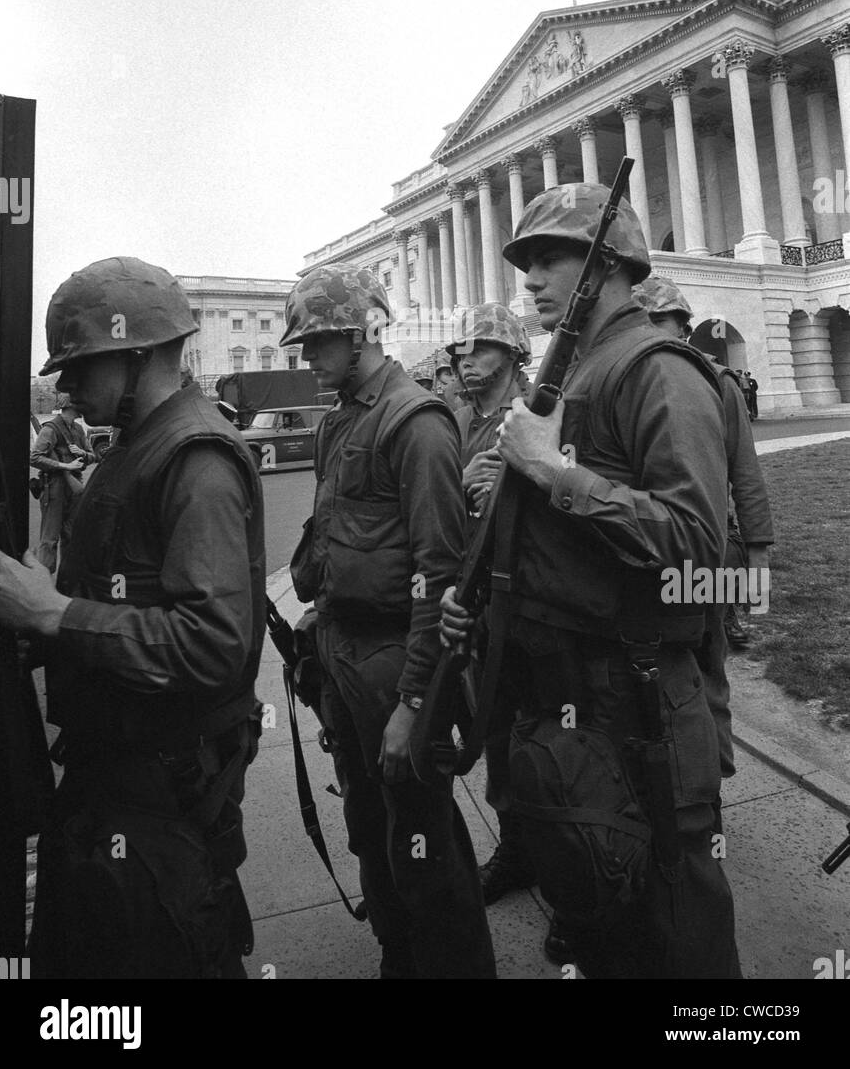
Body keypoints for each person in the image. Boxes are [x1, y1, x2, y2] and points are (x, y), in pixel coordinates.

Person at [441, 183, 741, 979]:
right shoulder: (577, 370)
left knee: (678, 937)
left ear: (606, 263)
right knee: (608, 919)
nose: (531, 279)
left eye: (549, 259)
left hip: (638, 701)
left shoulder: (657, 370)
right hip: (572, 690)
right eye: (527, 263)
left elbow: (696, 547)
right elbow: (557, 544)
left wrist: (553, 469)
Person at [0, 257, 266, 979]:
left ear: (138, 351)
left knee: (166, 949)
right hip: (118, 781)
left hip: (163, 792)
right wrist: (36, 621)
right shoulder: (132, 449)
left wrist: (55, 615)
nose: (65, 385)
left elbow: (211, 647)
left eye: (80, 365)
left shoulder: (193, 458)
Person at [281, 264, 495, 980]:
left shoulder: (416, 422)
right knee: (370, 831)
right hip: (345, 655)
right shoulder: (340, 420)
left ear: (358, 334)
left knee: (424, 842)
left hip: (398, 657)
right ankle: (401, 961)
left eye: (317, 344)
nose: (307, 358)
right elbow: (331, 538)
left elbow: (441, 574)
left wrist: (412, 704)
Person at [632, 276, 774, 767]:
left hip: (708, 557)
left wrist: (756, 567)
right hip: (646, 549)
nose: (654, 335)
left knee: (706, 668)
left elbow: (746, 475)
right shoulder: (631, 382)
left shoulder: (719, 382)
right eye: (645, 323)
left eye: (662, 324)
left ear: (683, 328)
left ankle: (711, 780)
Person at [445, 304, 540, 904]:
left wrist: (511, 485)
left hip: (533, 602)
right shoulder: (451, 420)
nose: (464, 358)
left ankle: (570, 875)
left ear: (510, 354)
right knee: (497, 734)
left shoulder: (536, 415)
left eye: (479, 348)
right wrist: (463, 487)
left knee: (551, 743)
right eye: (460, 350)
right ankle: (518, 850)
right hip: (476, 606)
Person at [30, 394, 95, 574]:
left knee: (71, 536)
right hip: (54, 486)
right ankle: (43, 584)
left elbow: (92, 456)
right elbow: (34, 457)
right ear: (71, 406)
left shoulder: (79, 430)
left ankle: (67, 581)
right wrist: (64, 465)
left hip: (74, 486)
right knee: (49, 539)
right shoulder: (50, 429)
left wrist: (82, 453)